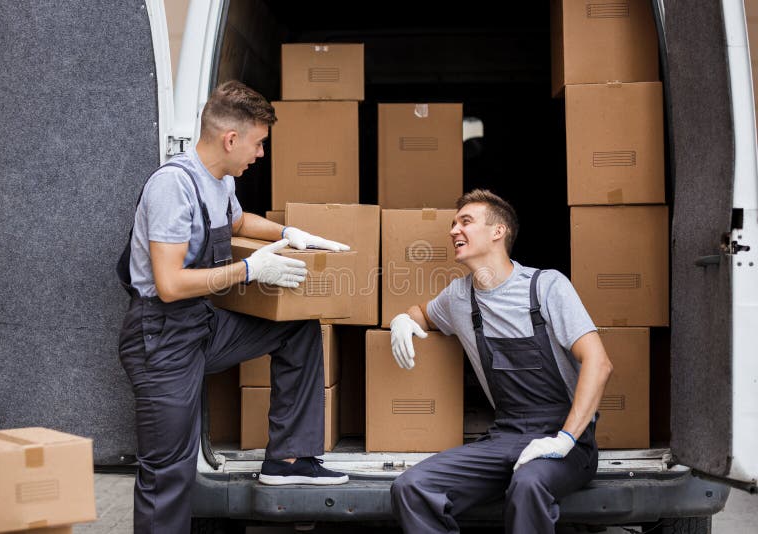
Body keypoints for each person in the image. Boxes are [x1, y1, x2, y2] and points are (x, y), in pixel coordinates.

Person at [116, 80, 350, 534]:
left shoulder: (218, 181)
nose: (260, 154)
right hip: (160, 337)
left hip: (200, 324)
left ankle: (287, 458)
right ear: (230, 139)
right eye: (258, 143)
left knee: (297, 327)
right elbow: (168, 284)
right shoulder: (174, 187)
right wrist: (248, 272)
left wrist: (287, 234)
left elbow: (239, 220)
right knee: (168, 472)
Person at [388, 189, 613, 534]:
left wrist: (565, 439)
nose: (453, 231)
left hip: (566, 441)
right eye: (452, 224)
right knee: (412, 487)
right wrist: (403, 320)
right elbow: (421, 313)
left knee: (528, 484)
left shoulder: (546, 287)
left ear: (498, 232)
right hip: (506, 435)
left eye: (465, 222)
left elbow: (598, 363)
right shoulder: (459, 297)